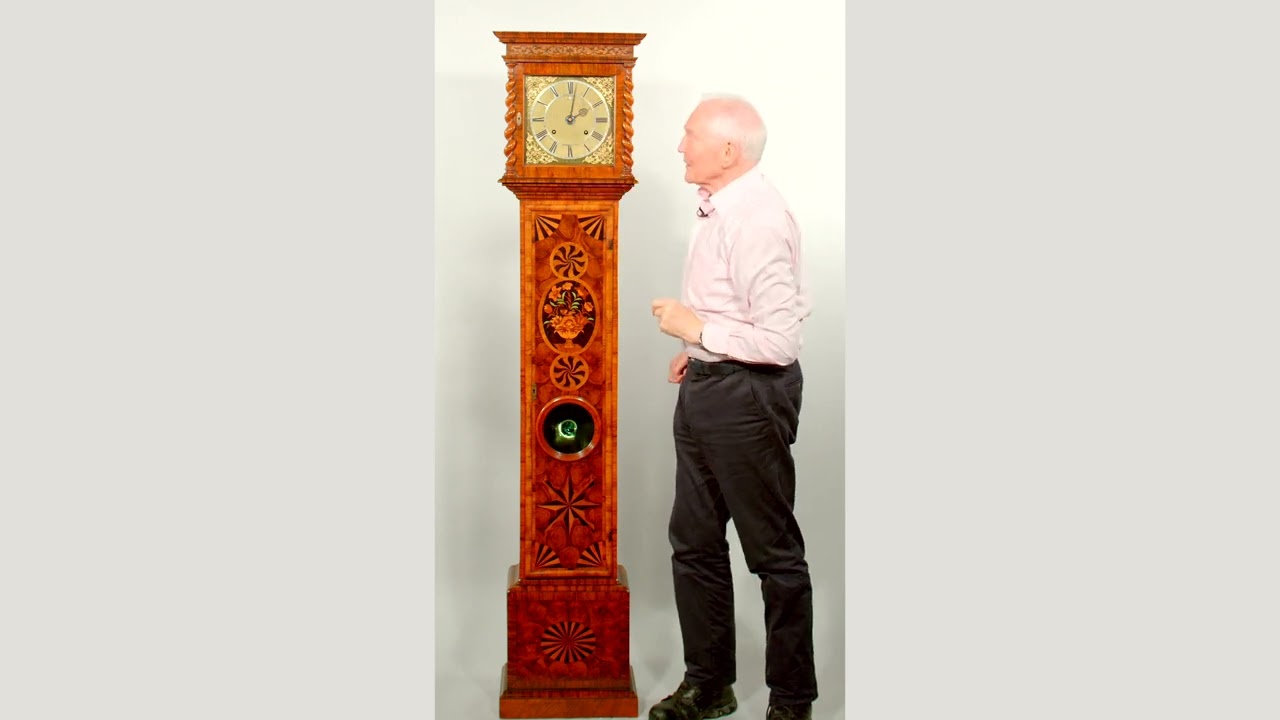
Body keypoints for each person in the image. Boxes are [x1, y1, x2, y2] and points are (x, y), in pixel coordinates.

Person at [648, 94, 815, 720]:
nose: (679, 146)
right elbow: (735, 309)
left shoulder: (758, 218)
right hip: (711, 386)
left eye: (689, 135)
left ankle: (792, 703)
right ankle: (708, 684)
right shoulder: (721, 208)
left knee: (772, 554)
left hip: (748, 396)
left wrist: (701, 329)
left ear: (727, 149)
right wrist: (697, 346)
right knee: (693, 542)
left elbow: (779, 340)